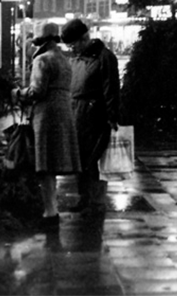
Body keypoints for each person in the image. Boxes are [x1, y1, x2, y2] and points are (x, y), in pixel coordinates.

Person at [12, 23, 81, 235]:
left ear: (41, 41)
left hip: (46, 114)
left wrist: (17, 93)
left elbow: (37, 91)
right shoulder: (64, 59)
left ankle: (50, 212)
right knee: (53, 161)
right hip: (64, 113)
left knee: (45, 166)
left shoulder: (42, 60)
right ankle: (52, 210)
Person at [61, 18, 121, 214]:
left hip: (95, 115)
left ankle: (96, 202)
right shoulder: (77, 57)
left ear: (84, 39)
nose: (72, 49)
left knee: (94, 159)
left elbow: (111, 88)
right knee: (80, 158)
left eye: (73, 44)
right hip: (77, 113)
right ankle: (84, 198)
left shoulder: (104, 57)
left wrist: (112, 116)